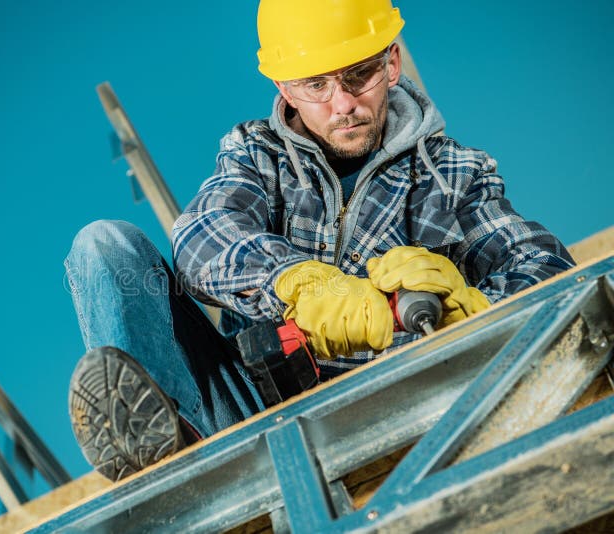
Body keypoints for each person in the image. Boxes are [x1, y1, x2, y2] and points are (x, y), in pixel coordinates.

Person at [64, 0, 574, 481]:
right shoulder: (257, 155)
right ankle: (169, 452)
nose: (344, 104)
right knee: (104, 247)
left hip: (404, 399)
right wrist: (297, 281)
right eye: (316, 85)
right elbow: (201, 236)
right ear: (285, 87)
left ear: (391, 63)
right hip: (254, 414)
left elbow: (545, 264)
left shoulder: (455, 174)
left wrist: (476, 305)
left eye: (360, 74)